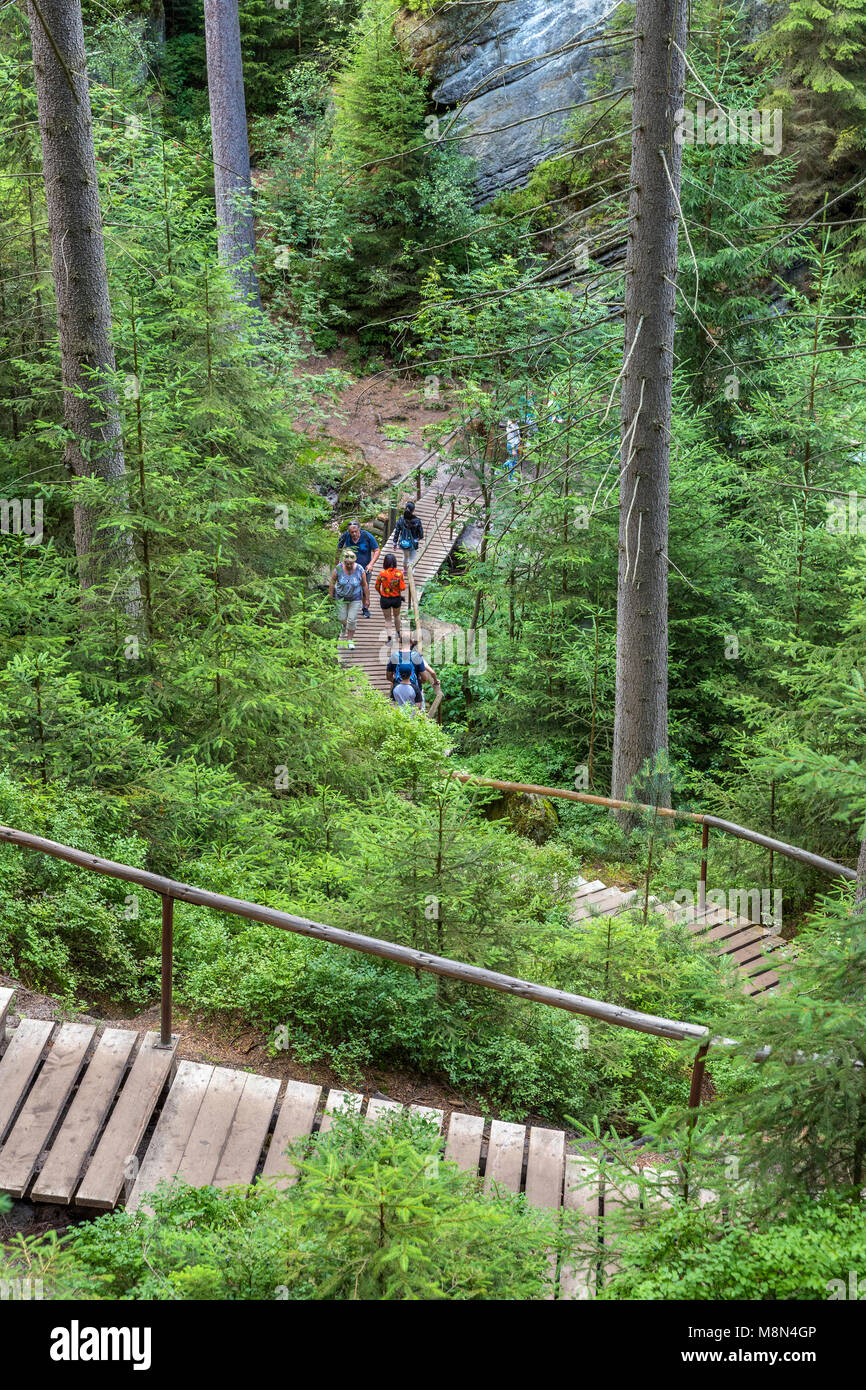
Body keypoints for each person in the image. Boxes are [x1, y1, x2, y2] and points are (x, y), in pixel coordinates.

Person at [337, 519, 379, 618]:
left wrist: (371, 564)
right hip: (349, 568)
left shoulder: (367, 536)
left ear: (359, 529)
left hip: (365, 569)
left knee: (365, 588)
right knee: (349, 589)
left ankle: (365, 609)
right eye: (352, 532)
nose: (354, 534)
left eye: (356, 531)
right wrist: (338, 565)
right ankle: (350, 611)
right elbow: (338, 549)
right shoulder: (345, 537)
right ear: (349, 531)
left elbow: (377, 550)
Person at [329, 548, 368, 649]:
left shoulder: (360, 569)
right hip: (341, 597)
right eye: (347, 564)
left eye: (351, 563)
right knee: (341, 618)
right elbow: (332, 582)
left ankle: (349, 639)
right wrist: (330, 595)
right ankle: (344, 625)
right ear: (344, 562)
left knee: (352, 619)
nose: (349, 565)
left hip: (355, 598)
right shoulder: (338, 569)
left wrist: (367, 599)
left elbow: (364, 585)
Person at [374, 552, 406, 645]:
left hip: (385, 599)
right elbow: (403, 588)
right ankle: (398, 634)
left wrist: (381, 593)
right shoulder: (399, 574)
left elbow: (376, 586)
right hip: (396, 598)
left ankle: (389, 638)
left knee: (388, 619)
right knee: (397, 616)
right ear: (395, 562)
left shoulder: (382, 573)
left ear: (385, 563)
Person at [392, 501, 423, 575]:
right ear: (413, 510)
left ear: (405, 508)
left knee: (405, 557)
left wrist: (394, 542)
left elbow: (397, 531)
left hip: (404, 542)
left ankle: (405, 571)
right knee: (412, 559)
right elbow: (421, 534)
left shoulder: (401, 520)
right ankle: (411, 574)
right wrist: (417, 539)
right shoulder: (417, 521)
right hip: (414, 543)